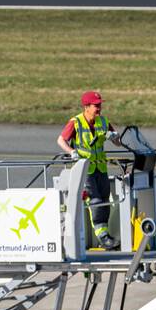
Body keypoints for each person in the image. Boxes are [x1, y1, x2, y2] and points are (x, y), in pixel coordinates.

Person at [57, 90, 122, 250]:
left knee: (105, 200)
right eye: (96, 106)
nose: (99, 108)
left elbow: (118, 142)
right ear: (86, 106)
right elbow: (61, 140)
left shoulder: (103, 121)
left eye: (100, 105)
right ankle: (103, 237)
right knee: (95, 201)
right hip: (84, 170)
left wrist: (115, 137)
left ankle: (104, 233)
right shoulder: (76, 122)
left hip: (100, 167)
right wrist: (71, 151)